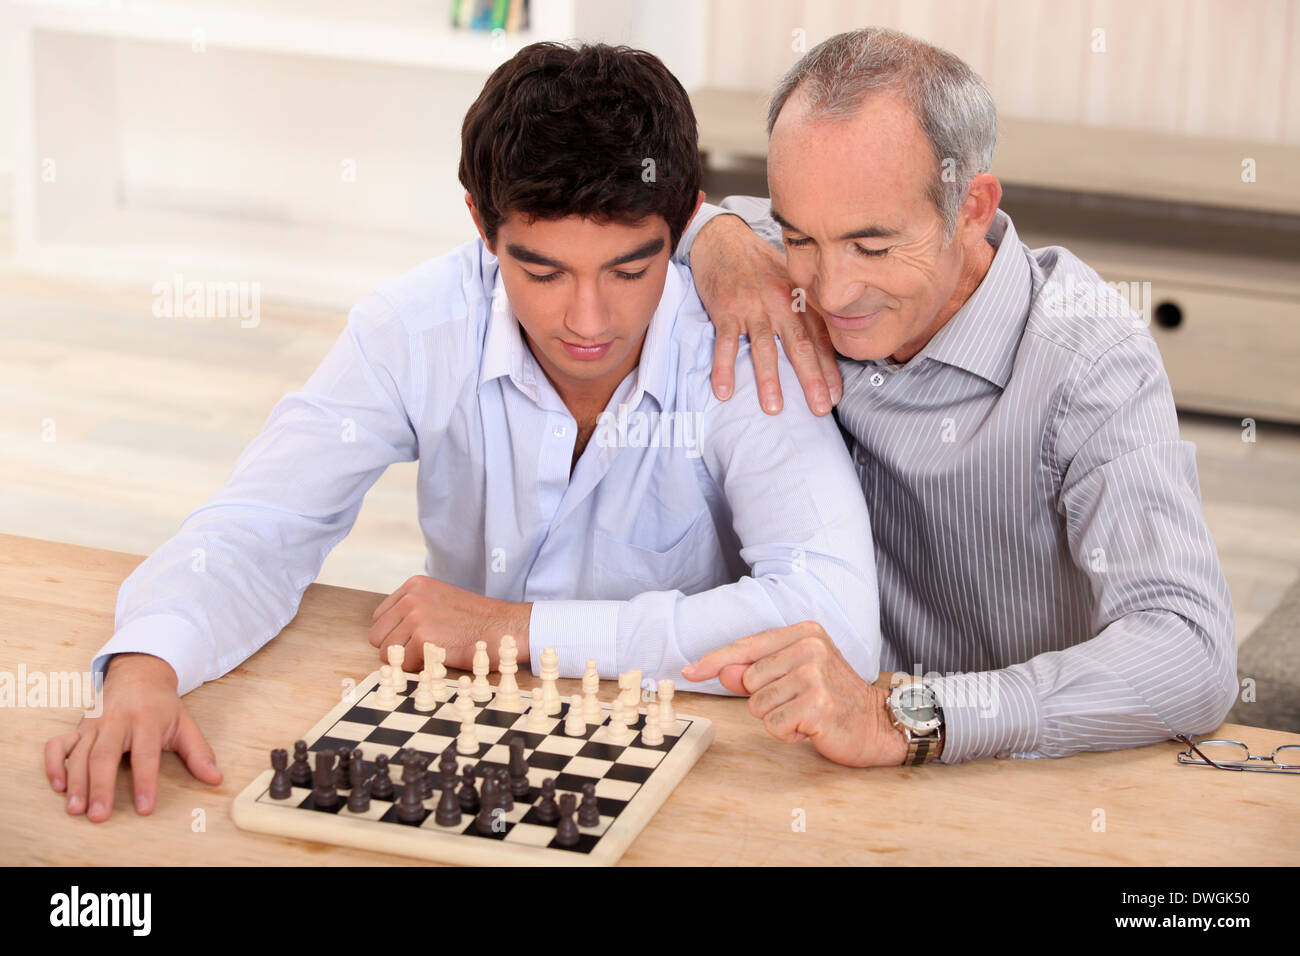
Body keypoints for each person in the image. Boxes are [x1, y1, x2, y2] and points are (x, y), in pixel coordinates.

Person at [45, 42, 880, 822]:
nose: (587, 319)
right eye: (539, 269)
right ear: (482, 225)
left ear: (684, 225)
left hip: (703, 761)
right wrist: (146, 666)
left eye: (631, 268)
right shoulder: (414, 328)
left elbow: (834, 623)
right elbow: (263, 522)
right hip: (470, 741)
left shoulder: (743, 339)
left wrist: (514, 628)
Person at [677, 27, 1237, 767]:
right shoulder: (769, 259)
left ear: (971, 207)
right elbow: (674, 214)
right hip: (796, 761)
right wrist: (710, 231)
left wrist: (905, 715)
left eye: (872, 248)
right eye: (799, 238)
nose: (832, 292)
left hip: (1010, 780)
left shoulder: (1090, 359)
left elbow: (1189, 654)